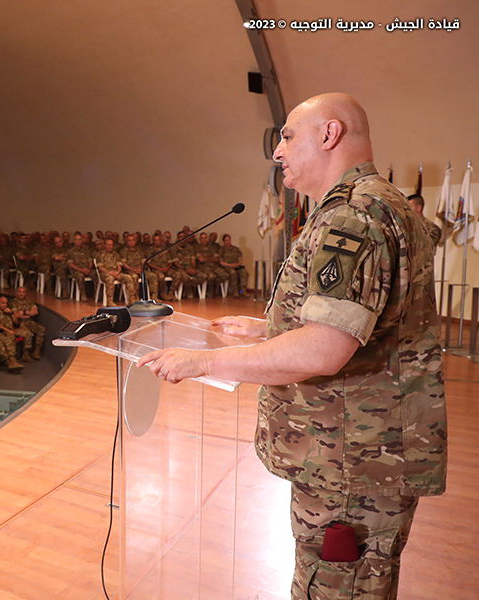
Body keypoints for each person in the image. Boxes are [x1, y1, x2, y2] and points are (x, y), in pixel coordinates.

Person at [138, 93, 446, 600]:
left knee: (335, 588)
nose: (277, 152)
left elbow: (323, 351)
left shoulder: (352, 217)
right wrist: (270, 329)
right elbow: (370, 323)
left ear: (329, 135)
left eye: (287, 136)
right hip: (365, 451)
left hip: (350, 460)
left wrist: (202, 360)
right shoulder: (379, 203)